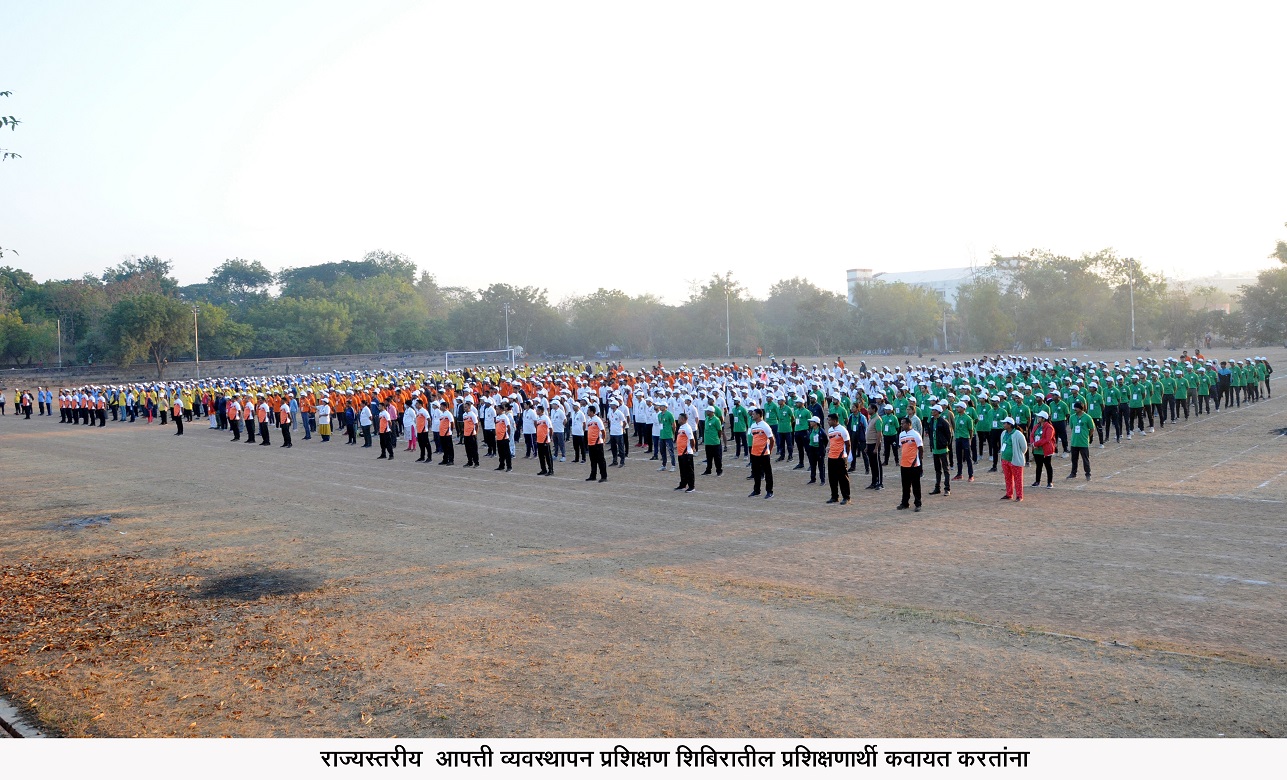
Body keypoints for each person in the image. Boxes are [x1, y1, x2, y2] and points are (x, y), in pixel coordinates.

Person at [896, 416, 923, 512]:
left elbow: (920, 448)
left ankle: (918, 503)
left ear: (909, 424)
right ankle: (905, 503)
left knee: (916, 485)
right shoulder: (901, 434)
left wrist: (919, 461)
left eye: (903, 423)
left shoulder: (915, 434)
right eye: (901, 423)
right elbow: (901, 447)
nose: (902, 425)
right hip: (904, 464)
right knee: (905, 485)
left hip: (914, 464)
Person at [747, 407, 775, 499]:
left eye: (754, 414)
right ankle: (756, 490)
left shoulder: (765, 426)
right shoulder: (753, 425)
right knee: (756, 472)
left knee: (767, 473)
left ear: (759, 415)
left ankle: (769, 491)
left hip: (764, 453)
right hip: (754, 453)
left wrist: (769, 451)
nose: (752, 415)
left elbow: (771, 439)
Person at [825, 413, 851, 505]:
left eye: (829, 420)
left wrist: (846, 455)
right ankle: (834, 496)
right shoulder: (830, 430)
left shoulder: (842, 430)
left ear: (835, 421)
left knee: (843, 478)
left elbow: (848, 444)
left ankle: (846, 497)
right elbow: (832, 442)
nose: (828, 422)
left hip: (840, 457)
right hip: (831, 456)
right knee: (832, 478)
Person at [925, 405, 951, 496]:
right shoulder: (932, 421)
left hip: (942, 448)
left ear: (938, 411)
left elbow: (948, 434)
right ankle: (937, 487)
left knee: (945, 469)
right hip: (935, 449)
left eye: (934, 410)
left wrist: (945, 443)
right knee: (937, 469)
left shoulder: (943, 421)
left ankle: (947, 488)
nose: (932, 411)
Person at [1000, 417, 1028, 501]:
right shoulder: (1003, 433)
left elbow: (1024, 447)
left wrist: (1018, 455)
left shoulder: (1018, 434)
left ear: (1010, 425)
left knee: (1018, 479)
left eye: (1005, 423)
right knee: (1008, 478)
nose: (1003, 425)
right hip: (1005, 459)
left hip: (1015, 460)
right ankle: (1009, 494)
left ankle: (1019, 496)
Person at [1067, 401, 1093, 481]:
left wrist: (1087, 436)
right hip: (1074, 441)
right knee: (1074, 459)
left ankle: (1088, 473)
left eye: (1076, 407)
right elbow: (1072, 427)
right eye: (1074, 407)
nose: (1075, 409)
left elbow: (1092, 428)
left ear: (1081, 408)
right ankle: (1073, 473)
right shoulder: (1072, 417)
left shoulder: (1087, 417)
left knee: (1085, 459)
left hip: (1083, 442)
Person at [1029, 410, 1055, 489]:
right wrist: (1033, 443)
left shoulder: (1049, 427)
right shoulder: (1036, 426)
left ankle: (1049, 482)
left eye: (1039, 417)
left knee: (1048, 465)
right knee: (1038, 466)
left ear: (1044, 418)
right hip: (1037, 450)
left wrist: (1036, 444)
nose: (1038, 418)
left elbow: (1047, 439)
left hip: (1045, 449)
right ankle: (1037, 481)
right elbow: (1031, 435)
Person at [585, 405, 608, 482]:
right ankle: (593, 475)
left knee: (600, 460)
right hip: (591, 443)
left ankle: (604, 476)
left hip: (597, 443)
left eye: (588, 411)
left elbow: (603, 430)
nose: (587, 412)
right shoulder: (589, 421)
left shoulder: (597, 420)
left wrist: (603, 440)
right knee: (593, 460)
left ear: (592, 412)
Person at [674, 412, 696, 492]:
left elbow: (691, 439)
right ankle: (683, 484)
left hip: (686, 452)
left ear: (683, 419)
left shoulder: (687, 427)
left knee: (689, 470)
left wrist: (692, 448)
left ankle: (691, 486)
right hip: (680, 452)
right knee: (682, 470)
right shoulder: (681, 427)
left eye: (679, 418)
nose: (678, 419)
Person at [700, 406, 723, 476]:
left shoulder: (716, 420)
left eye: (707, 411)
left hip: (715, 442)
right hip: (708, 442)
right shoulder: (706, 418)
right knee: (709, 457)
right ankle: (708, 470)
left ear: (711, 412)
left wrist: (717, 438)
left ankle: (719, 470)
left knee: (717, 458)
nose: (706, 412)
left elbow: (719, 430)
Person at [865, 404, 883, 490]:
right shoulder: (870, 419)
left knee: (877, 464)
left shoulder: (877, 420)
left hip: (874, 444)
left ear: (874, 410)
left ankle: (879, 482)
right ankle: (873, 482)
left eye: (869, 409)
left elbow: (879, 434)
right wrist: (867, 445)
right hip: (869, 444)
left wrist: (876, 447)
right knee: (872, 464)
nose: (868, 410)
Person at [655, 399, 675, 472]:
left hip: (668, 435)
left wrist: (673, 433)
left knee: (670, 451)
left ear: (665, 407)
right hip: (662, 435)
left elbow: (673, 425)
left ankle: (673, 465)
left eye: (661, 406)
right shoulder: (659, 415)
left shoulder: (669, 414)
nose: (660, 407)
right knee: (662, 451)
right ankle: (664, 465)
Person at [534, 404, 554, 476]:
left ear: (541, 411)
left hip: (545, 440)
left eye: (538, 410)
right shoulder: (538, 418)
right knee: (541, 456)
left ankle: (551, 470)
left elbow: (550, 428)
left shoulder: (546, 418)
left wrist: (550, 437)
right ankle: (543, 469)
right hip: (539, 440)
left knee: (548, 456)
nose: (536, 411)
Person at [494, 402, 514, 472]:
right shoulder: (497, 417)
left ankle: (509, 466)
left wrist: (507, 436)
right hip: (499, 437)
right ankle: (501, 465)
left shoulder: (505, 417)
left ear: (502, 410)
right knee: (500, 453)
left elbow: (508, 427)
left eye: (498, 409)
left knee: (507, 453)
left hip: (504, 437)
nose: (496, 410)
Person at [461, 398, 480, 467]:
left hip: (472, 434)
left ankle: (476, 462)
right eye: (464, 407)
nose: (464, 408)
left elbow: (476, 424)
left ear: (469, 407)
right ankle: (470, 462)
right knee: (468, 449)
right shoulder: (464, 415)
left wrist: (475, 432)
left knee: (474, 449)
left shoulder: (472, 415)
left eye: (466, 407)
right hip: (466, 434)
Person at [436, 400, 455, 465]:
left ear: (444, 407)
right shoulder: (442, 414)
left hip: (447, 433)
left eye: (441, 406)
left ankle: (451, 460)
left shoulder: (448, 413)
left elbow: (452, 422)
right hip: (442, 433)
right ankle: (445, 459)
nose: (440, 407)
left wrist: (450, 430)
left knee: (449, 447)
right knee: (444, 447)